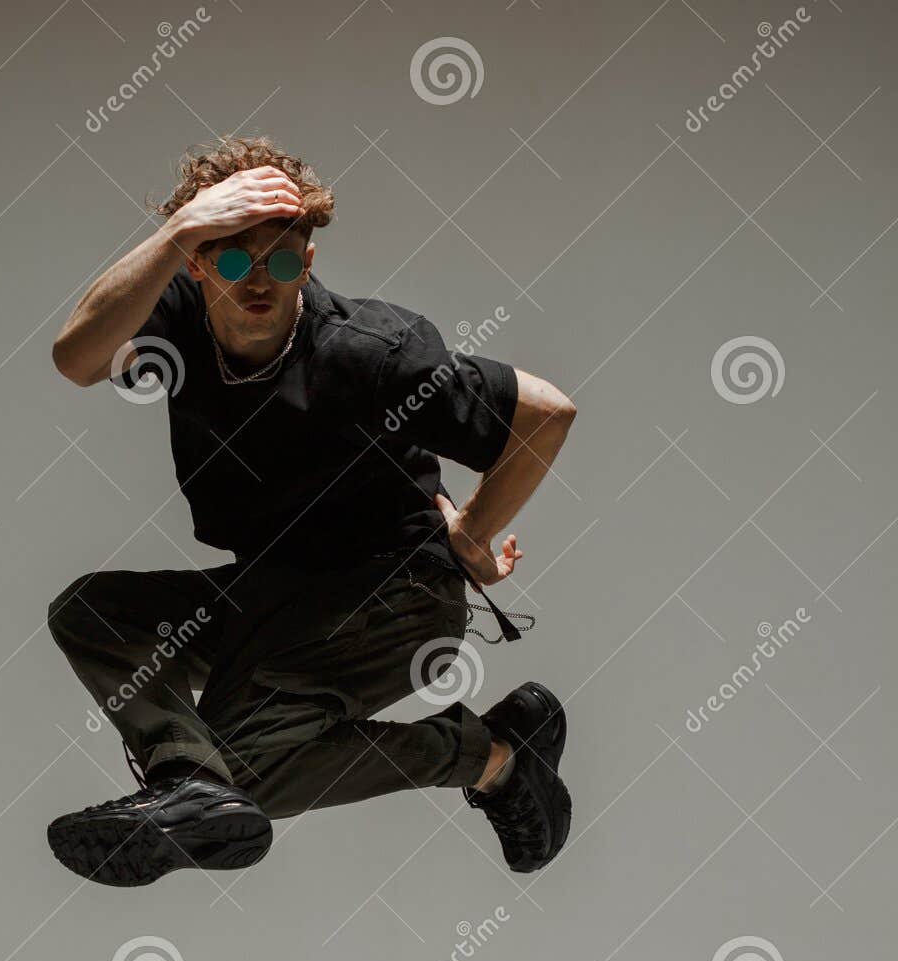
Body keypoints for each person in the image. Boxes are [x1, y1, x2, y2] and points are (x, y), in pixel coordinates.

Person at [47, 136, 577, 888]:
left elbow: (547, 413)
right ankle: (184, 781)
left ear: (309, 260)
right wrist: (174, 231)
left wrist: (472, 530)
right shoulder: (176, 319)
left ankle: (493, 758)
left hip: (391, 598)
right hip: (276, 594)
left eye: (284, 261)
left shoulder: (372, 352)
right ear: (197, 264)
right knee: (93, 614)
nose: (259, 281)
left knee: (248, 782)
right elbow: (76, 358)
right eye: (232, 260)